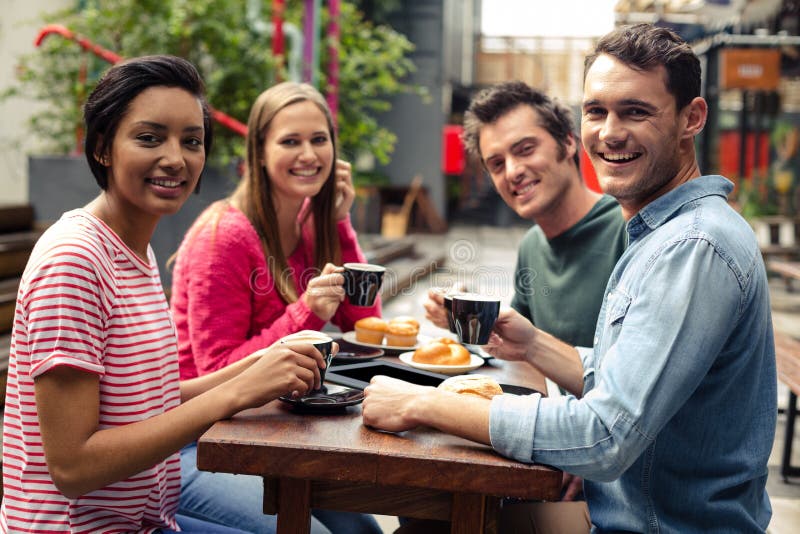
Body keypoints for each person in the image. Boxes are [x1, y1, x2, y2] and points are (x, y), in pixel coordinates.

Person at [364, 23, 776, 533]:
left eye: (636, 111)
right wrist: (531, 342)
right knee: (431, 513)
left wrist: (423, 404)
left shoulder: (691, 247)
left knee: (436, 517)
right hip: (625, 513)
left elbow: (603, 436)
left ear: (692, 118)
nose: (610, 132)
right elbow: (620, 381)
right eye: (596, 111)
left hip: (652, 524)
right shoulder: (659, 234)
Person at [0, 55, 334, 533]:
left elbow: (144, 400)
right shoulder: (74, 260)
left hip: (149, 520)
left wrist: (261, 365)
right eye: (149, 138)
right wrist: (236, 391)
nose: (176, 158)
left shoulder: (135, 250)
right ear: (102, 148)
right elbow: (73, 468)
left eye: (191, 141)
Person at [169, 82, 381, 533]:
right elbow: (217, 370)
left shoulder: (308, 225)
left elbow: (366, 325)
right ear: (259, 153)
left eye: (318, 139)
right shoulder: (223, 237)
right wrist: (305, 313)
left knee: (362, 531)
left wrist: (339, 223)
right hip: (195, 440)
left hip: (272, 431)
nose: (308, 154)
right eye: (290, 141)